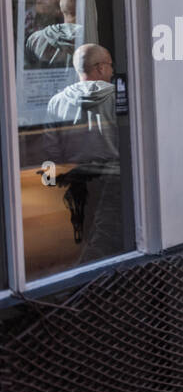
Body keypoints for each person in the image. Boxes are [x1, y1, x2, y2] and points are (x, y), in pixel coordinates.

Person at [42, 43, 122, 263]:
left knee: (86, 237)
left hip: (76, 184)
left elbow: (51, 150)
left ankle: (84, 282)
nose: (113, 70)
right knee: (109, 242)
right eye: (110, 65)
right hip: (112, 182)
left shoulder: (56, 102)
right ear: (99, 68)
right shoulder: (120, 99)